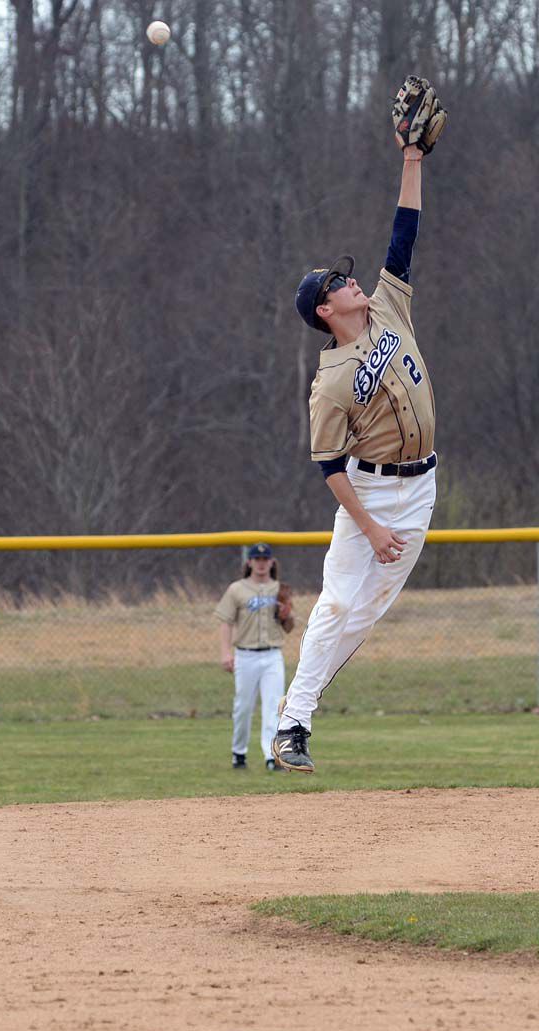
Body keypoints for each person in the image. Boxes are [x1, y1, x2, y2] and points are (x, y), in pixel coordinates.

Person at [272, 133, 437, 773]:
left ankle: (296, 711)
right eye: (340, 281)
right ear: (324, 307)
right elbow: (327, 465)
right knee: (337, 604)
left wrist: (412, 159)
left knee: (362, 617)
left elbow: (405, 233)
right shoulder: (331, 379)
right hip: (366, 494)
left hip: (421, 488)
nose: (352, 280)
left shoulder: (389, 306)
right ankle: (293, 726)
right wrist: (368, 526)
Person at [215, 543, 294, 772]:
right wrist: (225, 653)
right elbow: (226, 622)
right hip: (245, 655)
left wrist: (287, 615)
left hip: (272, 655)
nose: (261, 563)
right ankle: (238, 753)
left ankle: (272, 756)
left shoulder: (280, 589)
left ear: (271, 562)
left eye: (265, 559)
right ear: (249, 562)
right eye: (257, 559)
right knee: (243, 707)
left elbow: (289, 627)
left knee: (274, 706)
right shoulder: (237, 589)